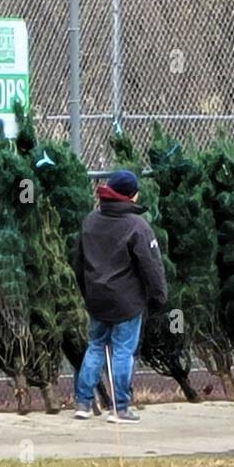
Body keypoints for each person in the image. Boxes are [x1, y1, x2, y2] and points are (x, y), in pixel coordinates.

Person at [72, 170, 167, 423]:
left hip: (96, 298)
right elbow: (151, 266)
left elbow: (78, 262)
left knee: (95, 347)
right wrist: (158, 297)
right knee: (123, 351)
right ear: (131, 195)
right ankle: (120, 407)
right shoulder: (137, 226)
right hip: (127, 301)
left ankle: (82, 402)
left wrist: (87, 292)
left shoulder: (90, 221)